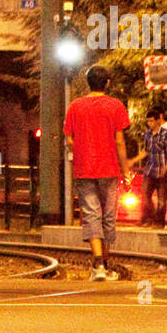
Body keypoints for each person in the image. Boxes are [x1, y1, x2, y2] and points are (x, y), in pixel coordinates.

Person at [63, 64, 131, 281]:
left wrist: (80, 149)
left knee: (92, 215)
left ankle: (99, 265)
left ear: (88, 82)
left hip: (84, 170)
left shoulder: (75, 106)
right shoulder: (115, 106)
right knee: (108, 215)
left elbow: (69, 140)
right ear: (108, 83)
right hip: (109, 169)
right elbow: (120, 142)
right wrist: (126, 171)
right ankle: (106, 264)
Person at [135, 105, 167, 228]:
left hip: (163, 170)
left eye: (152, 121)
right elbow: (145, 151)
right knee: (145, 195)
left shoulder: (166, 134)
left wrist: (166, 167)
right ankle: (151, 217)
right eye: (148, 121)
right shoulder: (147, 135)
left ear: (158, 120)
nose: (150, 123)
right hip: (150, 170)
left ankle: (159, 222)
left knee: (162, 199)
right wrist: (133, 160)